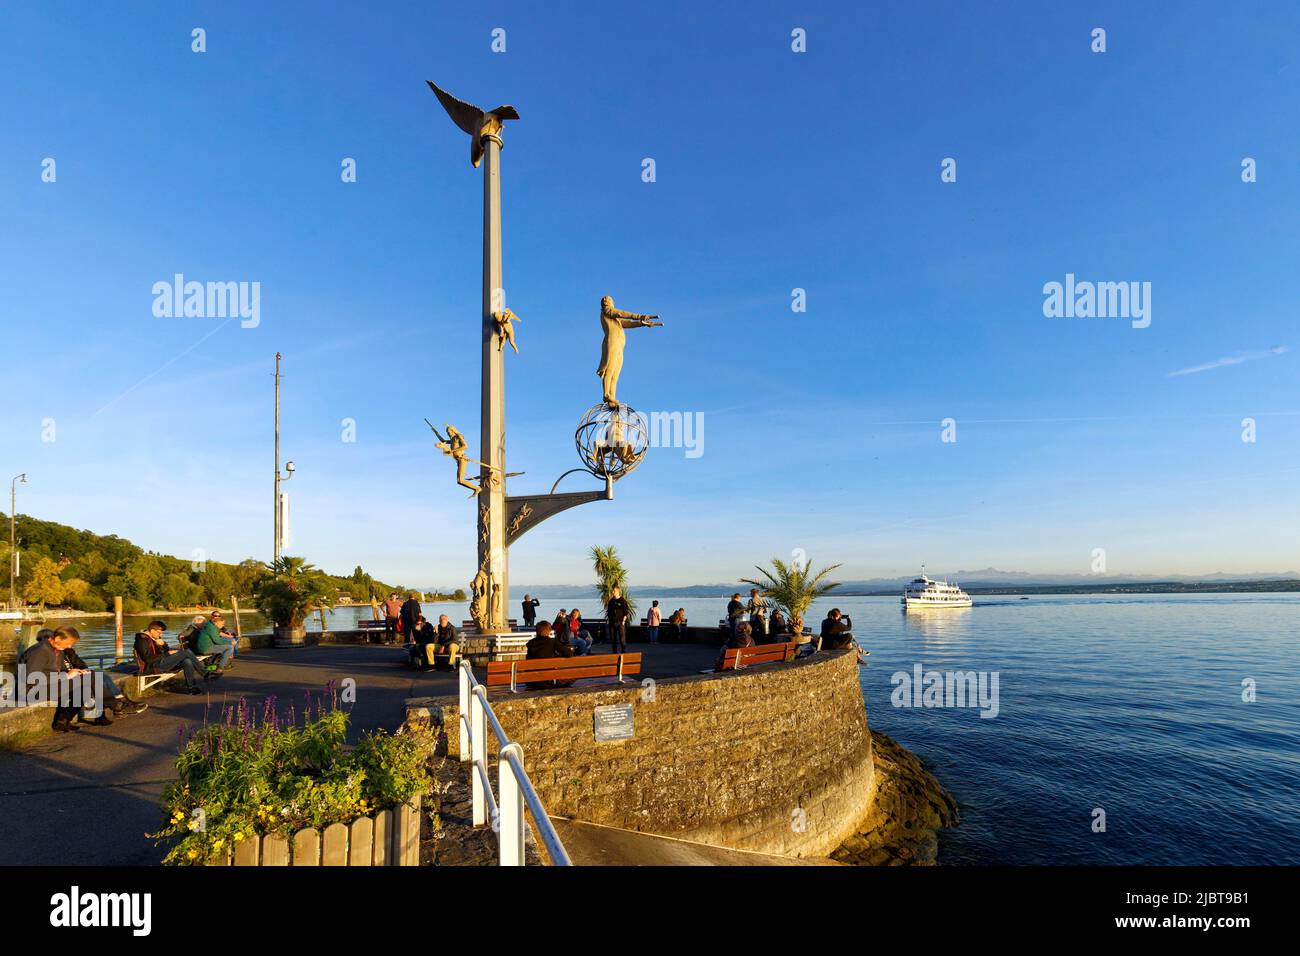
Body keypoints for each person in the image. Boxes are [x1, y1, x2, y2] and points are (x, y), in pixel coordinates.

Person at [24, 626, 147, 730]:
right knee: (91, 677)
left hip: (50, 685)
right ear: (57, 638)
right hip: (34, 690)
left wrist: (76, 672)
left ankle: (62, 722)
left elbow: (59, 671)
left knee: (86, 682)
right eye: (68, 643)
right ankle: (118, 706)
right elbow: (32, 678)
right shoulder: (40, 651)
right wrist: (66, 675)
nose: (68, 647)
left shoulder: (58, 650)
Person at [133, 620, 208, 692]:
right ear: (152, 630)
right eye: (159, 633)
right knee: (186, 652)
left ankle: (191, 688)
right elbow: (148, 659)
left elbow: (166, 649)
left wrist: (163, 644)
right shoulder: (142, 641)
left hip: (161, 662)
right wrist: (167, 654)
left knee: (187, 661)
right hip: (153, 666)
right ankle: (204, 673)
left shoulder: (154, 637)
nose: (161, 635)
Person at [524, 621, 574, 689]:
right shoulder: (552, 642)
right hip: (547, 681)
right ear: (549, 631)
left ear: (537, 631)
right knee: (573, 676)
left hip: (531, 683)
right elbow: (569, 654)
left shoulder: (531, 643)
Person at [606, 587, 630, 654]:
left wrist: (623, 621)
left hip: (620, 622)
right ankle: (614, 651)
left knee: (622, 638)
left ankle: (623, 651)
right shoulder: (611, 601)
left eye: (614, 591)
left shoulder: (622, 600)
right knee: (613, 639)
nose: (613, 592)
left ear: (618, 591)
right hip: (612, 622)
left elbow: (626, 611)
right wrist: (610, 619)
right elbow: (609, 612)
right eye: (612, 591)